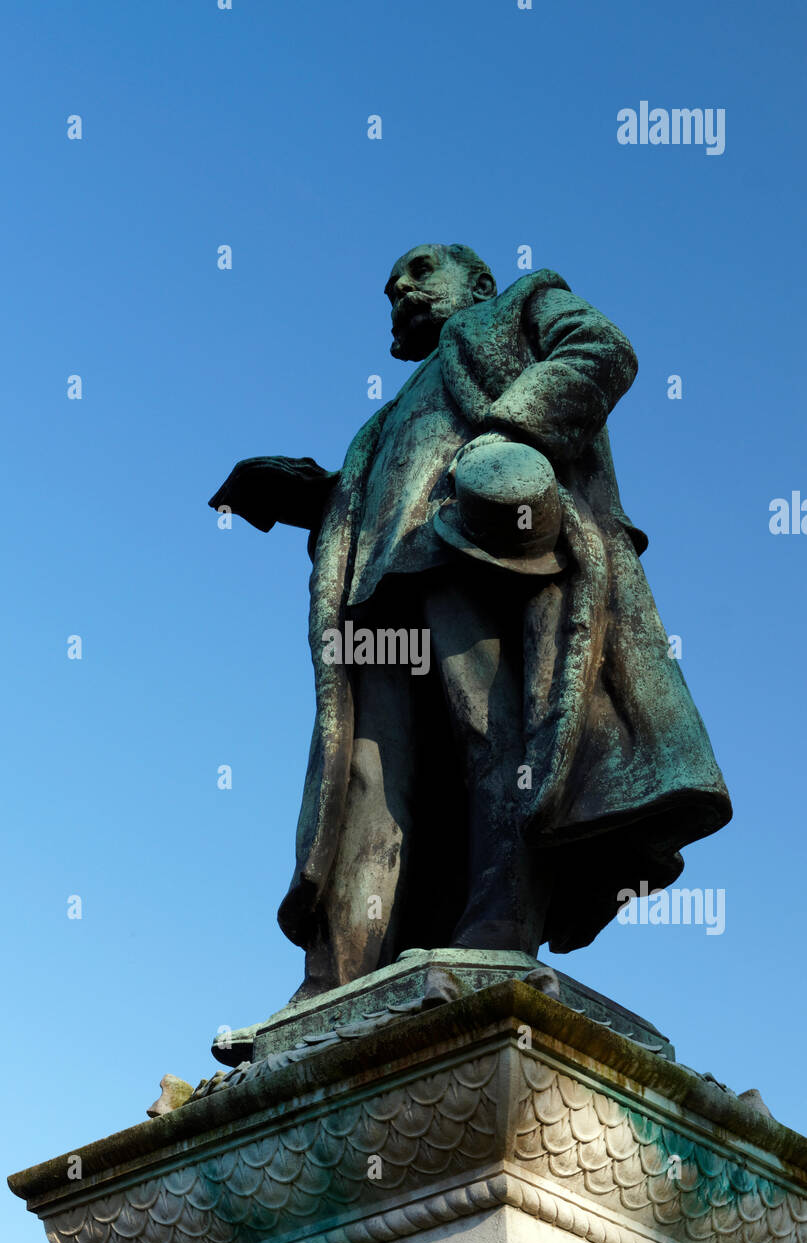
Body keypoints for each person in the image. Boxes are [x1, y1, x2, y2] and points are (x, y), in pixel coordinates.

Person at [211, 244, 731, 1002]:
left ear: (478, 283)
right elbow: (388, 486)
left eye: (420, 272)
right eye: (392, 287)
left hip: (474, 557)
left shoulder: (520, 307)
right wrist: (310, 495)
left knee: (490, 733)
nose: (401, 289)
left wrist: (511, 432)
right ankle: (337, 978)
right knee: (364, 775)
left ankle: (498, 928)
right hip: (377, 591)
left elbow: (602, 349)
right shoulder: (384, 418)